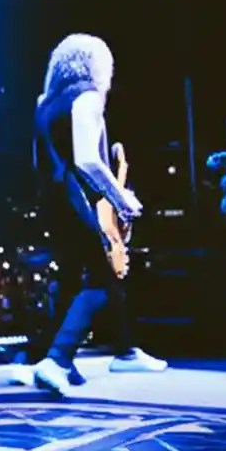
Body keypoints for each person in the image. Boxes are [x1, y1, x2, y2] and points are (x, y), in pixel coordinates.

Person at [21, 33, 167, 394]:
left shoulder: (45, 101)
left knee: (79, 281)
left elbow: (38, 160)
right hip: (76, 198)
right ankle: (56, 360)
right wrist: (121, 199)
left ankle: (124, 351)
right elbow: (88, 159)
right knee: (102, 280)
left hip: (51, 199)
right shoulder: (87, 97)